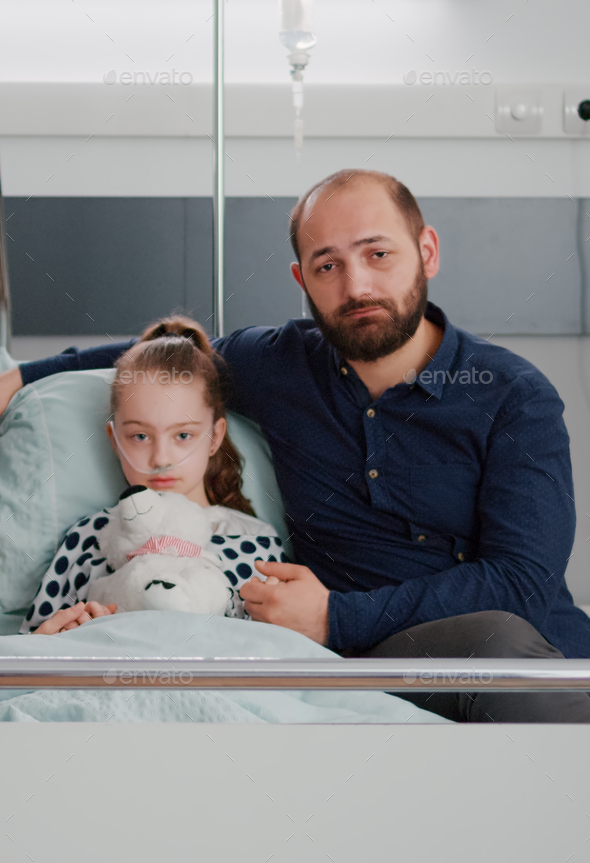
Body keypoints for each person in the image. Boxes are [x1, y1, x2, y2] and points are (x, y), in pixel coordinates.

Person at [2, 168, 590, 722]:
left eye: (378, 254)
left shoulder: (513, 396)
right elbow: (166, 358)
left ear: (426, 251)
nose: (356, 285)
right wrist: (22, 378)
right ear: (301, 279)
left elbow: (523, 580)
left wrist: (336, 616)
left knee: (500, 648)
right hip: (350, 666)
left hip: (506, 648)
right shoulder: (281, 363)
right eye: (326, 265)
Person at [20, 316, 287, 634]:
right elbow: (28, 660)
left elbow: (280, 654)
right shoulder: (88, 541)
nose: (161, 459)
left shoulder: (255, 545)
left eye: (183, 436)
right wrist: (59, 636)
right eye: (140, 437)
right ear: (114, 440)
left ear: (214, 437)